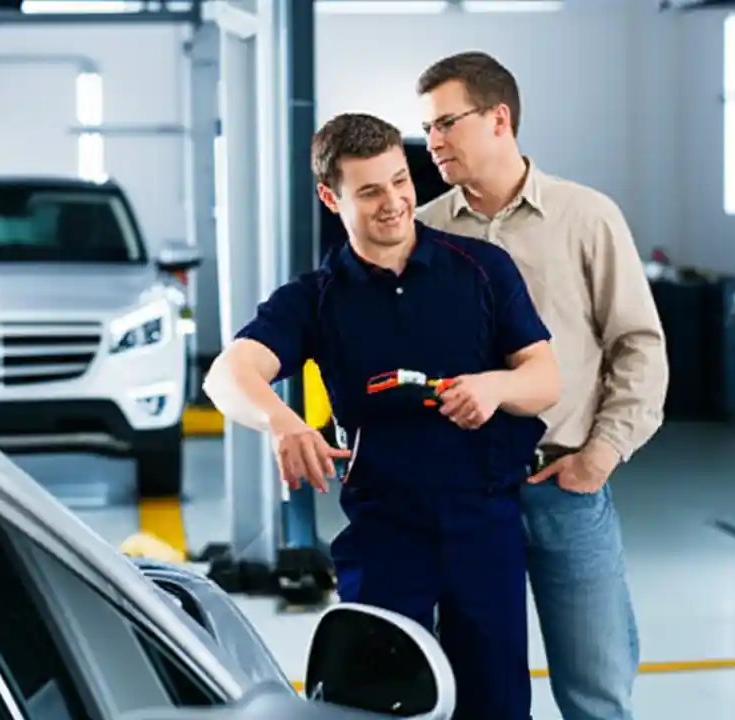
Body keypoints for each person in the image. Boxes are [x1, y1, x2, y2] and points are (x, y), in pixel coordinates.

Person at [203, 111, 561, 719]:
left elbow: (545, 379)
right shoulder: (314, 299)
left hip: (484, 523)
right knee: (375, 704)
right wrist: (283, 423)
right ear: (330, 196)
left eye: (400, 181)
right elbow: (227, 374)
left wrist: (496, 387)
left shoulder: (481, 268)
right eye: (369, 190)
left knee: (497, 703)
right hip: (384, 532)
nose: (394, 202)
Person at [413, 51, 669, 720]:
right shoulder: (426, 233)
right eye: (428, 127)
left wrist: (602, 454)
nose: (433, 141)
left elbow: (638, 344)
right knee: (476, 692)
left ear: (500, 119)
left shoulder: (585, 217)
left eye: (447, 123)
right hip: (464, 495)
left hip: (564, 486)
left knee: (596, 688)